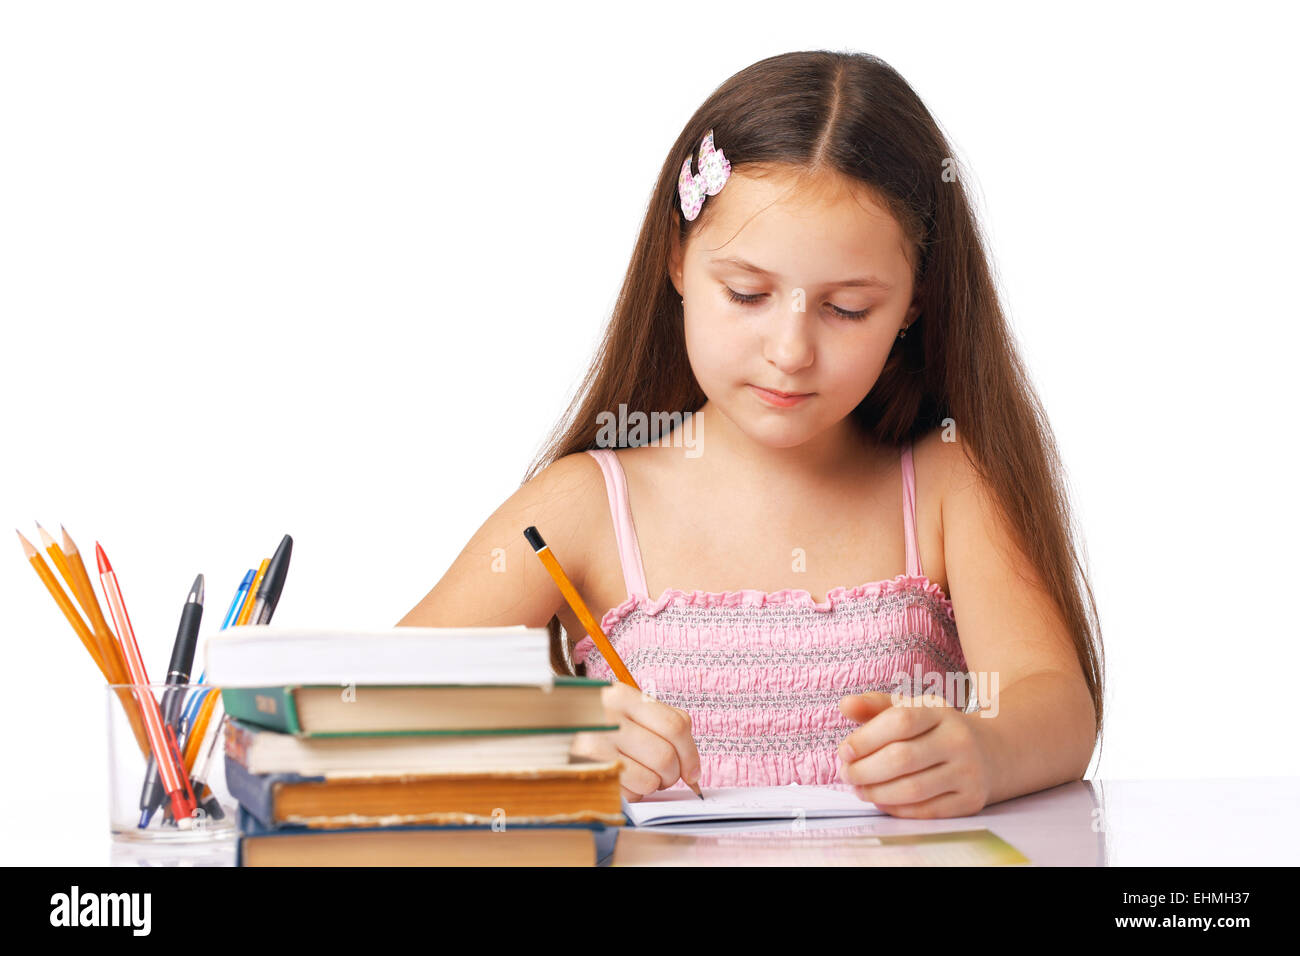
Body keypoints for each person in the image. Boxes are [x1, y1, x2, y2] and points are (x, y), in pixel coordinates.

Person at [399, 50, 1103, 819]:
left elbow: (1057, 704)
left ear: (914, 303)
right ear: (675, 258)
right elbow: (360, 703)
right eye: (746, 293)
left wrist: (987, 751)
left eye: (847, 308)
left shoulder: (944, 482)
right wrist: (543, 738)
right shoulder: (586, 506)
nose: (790, 351)